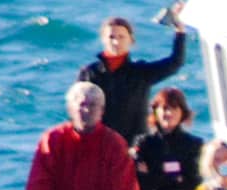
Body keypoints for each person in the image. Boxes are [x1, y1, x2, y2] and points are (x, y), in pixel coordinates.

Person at [78, 2, 190, 143]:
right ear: (103, 39)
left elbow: (175, 63)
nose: (116, 42)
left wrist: (180, 30)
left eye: (121, 37)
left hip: (133, 145)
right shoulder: (90, 73)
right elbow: (78, 108)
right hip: (99, 143)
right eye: (111, 37)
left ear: (131, 40)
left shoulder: (141, 73)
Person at [134, 87, 204, 190]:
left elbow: (192, 183)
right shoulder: (144, 143)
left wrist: (154, 173)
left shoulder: (194, 144)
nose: (169, 113)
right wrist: (172, 176)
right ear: (156, 111)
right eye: (164, 108)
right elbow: (140, 183)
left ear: (182, 112)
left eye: (174, 108)